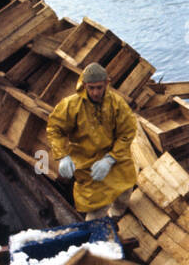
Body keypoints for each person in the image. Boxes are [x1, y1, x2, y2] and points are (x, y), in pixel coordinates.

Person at [45, 63, 138, 220]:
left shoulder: (117, 104)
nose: (95, 92)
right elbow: (55, 129)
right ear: (84, 85)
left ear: (106, 84)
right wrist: (62, 156)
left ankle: (116, 216)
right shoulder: (70, 105)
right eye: (91, 88)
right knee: (96, 205)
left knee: (125, 189)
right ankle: (95, 232)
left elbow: (127, 132)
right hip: (87, 161)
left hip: (115, 157)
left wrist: (110, 159)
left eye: (99, 88)